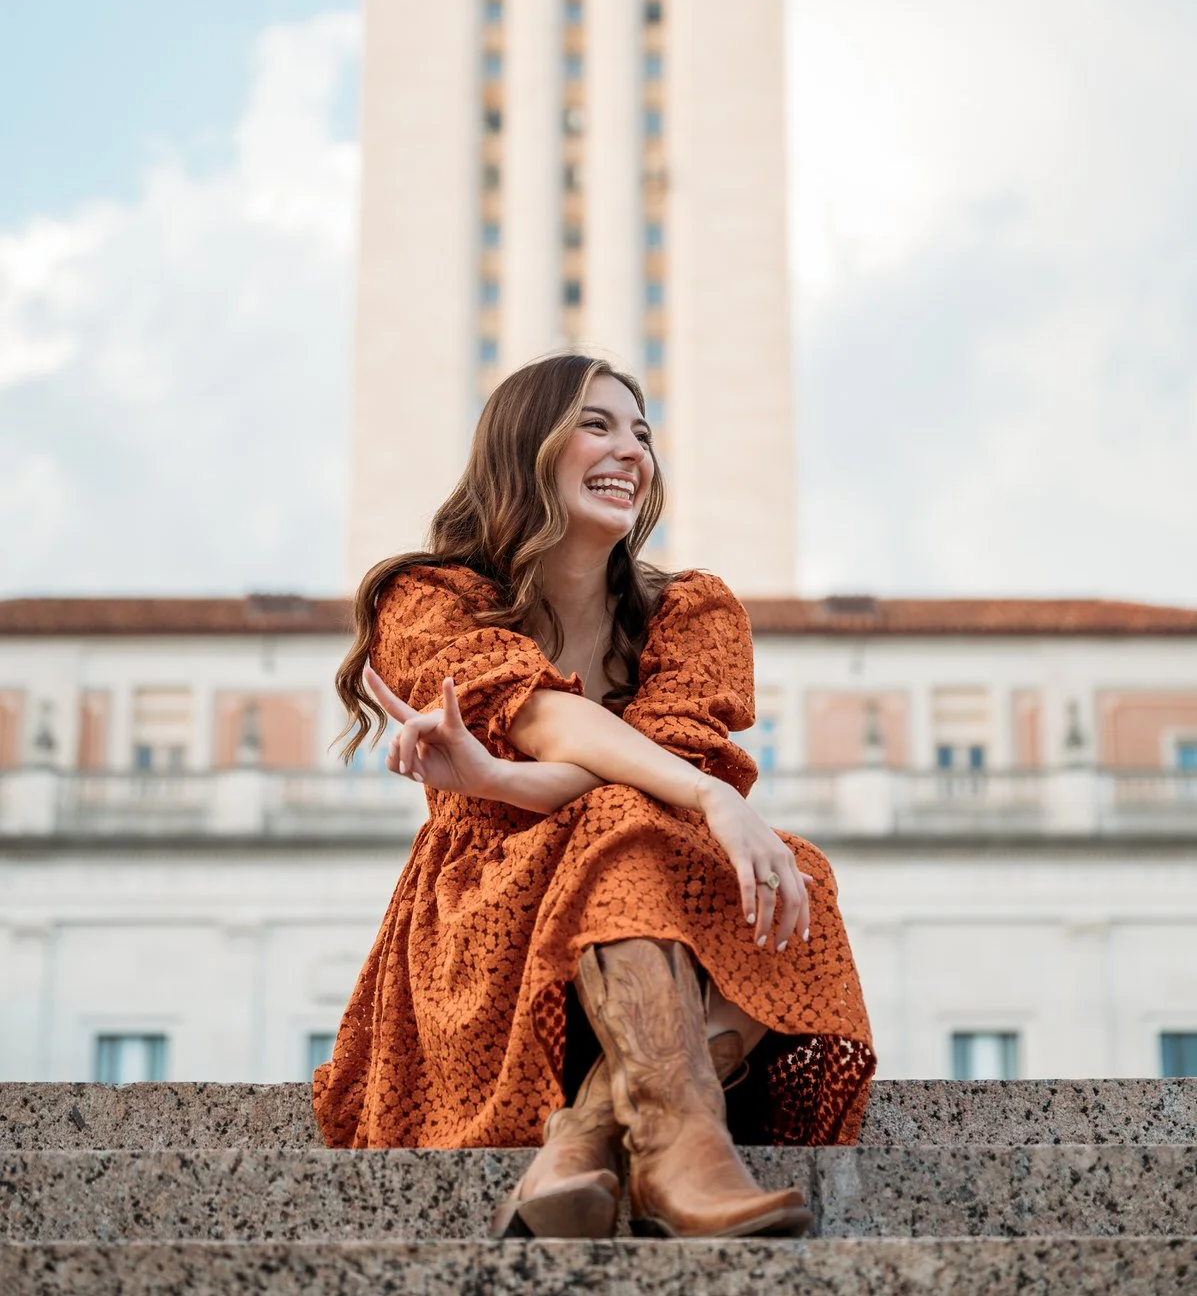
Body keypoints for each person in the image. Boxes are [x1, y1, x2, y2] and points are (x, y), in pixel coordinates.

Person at [313, 354, 874, 1239]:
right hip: (491, 928)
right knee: (628, 813)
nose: (631, 450)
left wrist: (511, 776)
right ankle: (674, 1150)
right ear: (524, 446)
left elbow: (635, 760)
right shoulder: (428, 598)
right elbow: (550, 725)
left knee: (789, 873)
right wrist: (693, 795)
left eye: (643, 432)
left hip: (648, 925)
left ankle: (597, 1136)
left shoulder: (689, 612)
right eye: (598, 424)